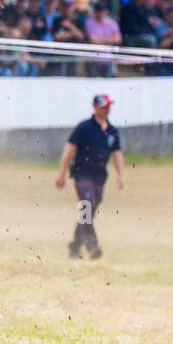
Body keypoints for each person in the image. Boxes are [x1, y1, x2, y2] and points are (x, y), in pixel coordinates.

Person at [55, 94, 125, 259]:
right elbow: (68, 150)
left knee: (88, 212)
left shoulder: (112, 131)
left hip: (100, 177)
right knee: (87, 205)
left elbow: (117, 154)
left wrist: (120, 175)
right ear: (95, 107)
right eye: (104, 106)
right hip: (82, 174)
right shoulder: (84, 127)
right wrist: (62, 174)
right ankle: (92, 246)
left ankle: (74, 247)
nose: (107, 109)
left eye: (108, 106)